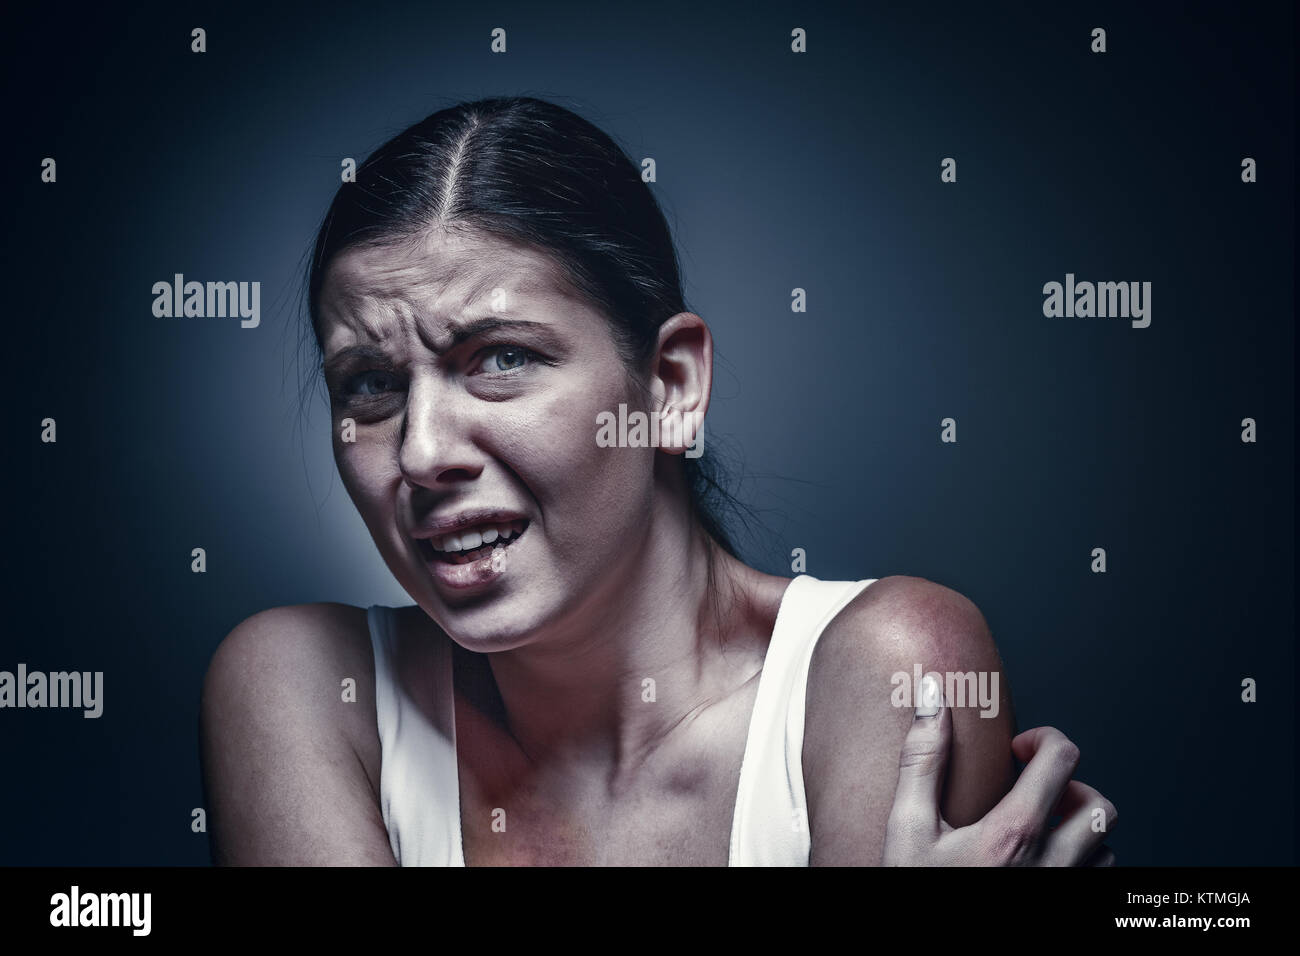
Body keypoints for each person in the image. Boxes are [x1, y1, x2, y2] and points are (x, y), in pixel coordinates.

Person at [199, 96, 1117, 866]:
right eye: (371, 383)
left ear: (671, 387)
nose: (423, 452)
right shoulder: (303, 689)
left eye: (501, 357)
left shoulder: (892, 664)